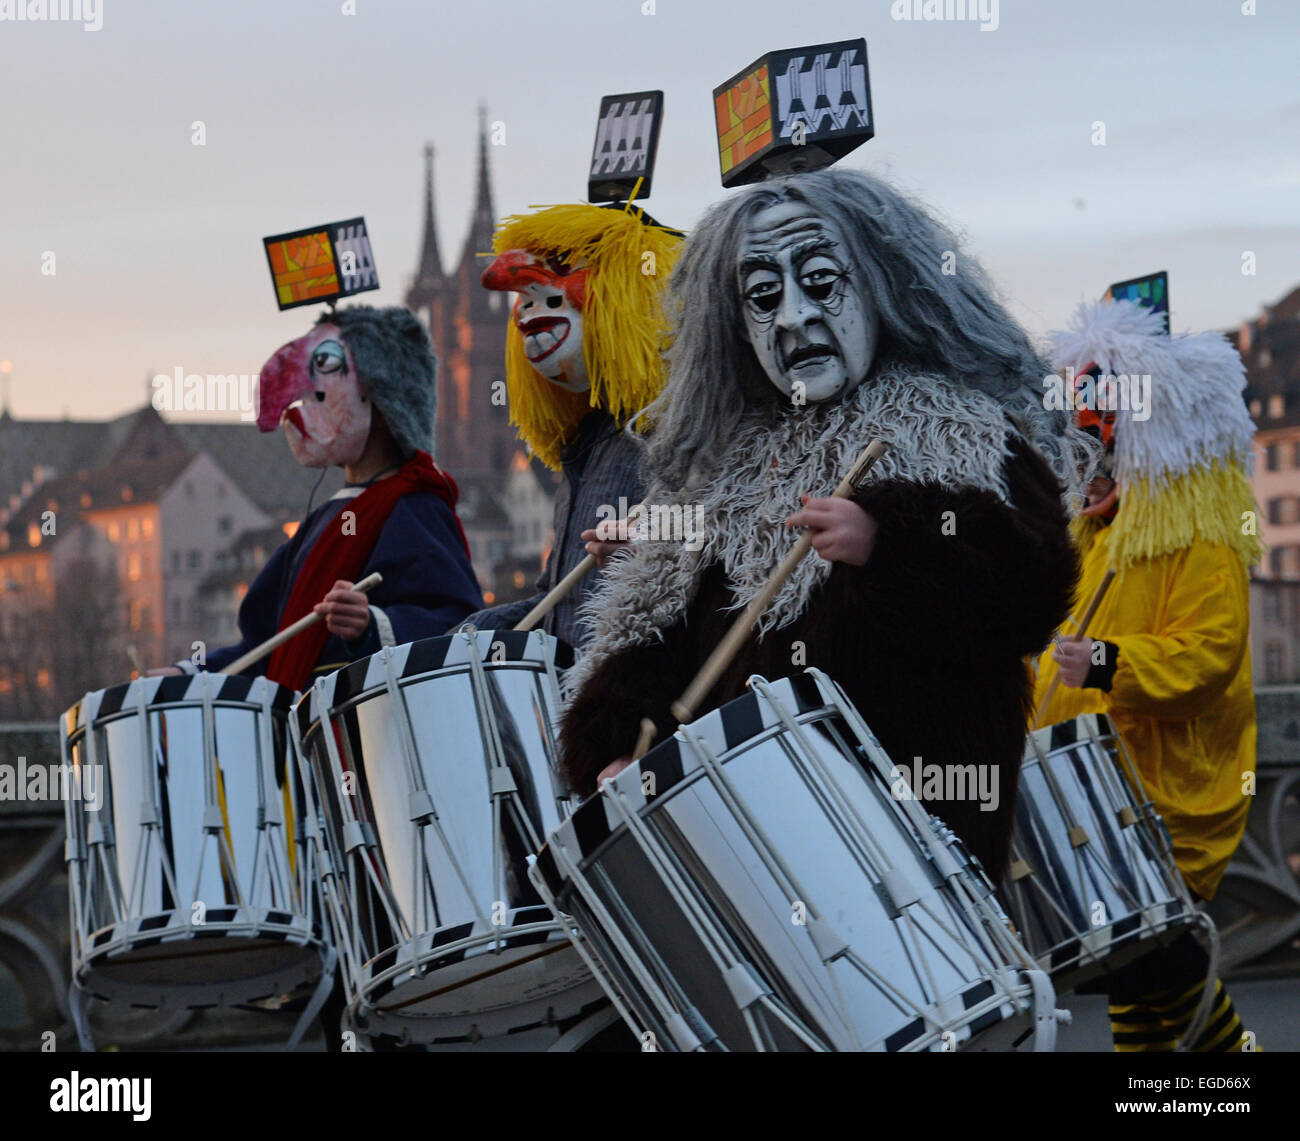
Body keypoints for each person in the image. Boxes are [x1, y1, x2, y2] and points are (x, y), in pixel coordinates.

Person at [559, 168, 1087, 883]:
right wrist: (619, 743)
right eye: (764, 298)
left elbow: (1033, 586)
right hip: (766, 858)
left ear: (878, 284)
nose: (795, 317)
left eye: (821, 281)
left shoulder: (957, 428)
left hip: (918, 843)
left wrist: (890, 541)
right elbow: (661, 630)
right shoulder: (733, 468)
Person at [1036, 296, 1260, 1052]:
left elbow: (1210, 653)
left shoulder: (1197, 538)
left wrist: (1108, 664)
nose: (1079, 468)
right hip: (1099, 800)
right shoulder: (1094, 539)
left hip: (1162, 800)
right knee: (1138, 973)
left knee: (1162, 966)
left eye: (1092, 449)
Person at [153, 305, 482, 690]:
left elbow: (459, 626)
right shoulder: (324, 519)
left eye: (320, 391)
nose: (301, 408)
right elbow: (270, 648)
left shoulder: (415, 506)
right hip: (302, 733)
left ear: (381, 399)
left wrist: (373, 625)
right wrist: (189, 673)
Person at [461, 202, 683, 648]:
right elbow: (555, 602)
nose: (528, 311)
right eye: (525, 301)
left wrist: (656, 543)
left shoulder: (682, 423)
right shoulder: (585, 442)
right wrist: (463, 639)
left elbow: (727, 524)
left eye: (563, 271)